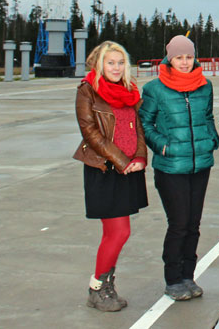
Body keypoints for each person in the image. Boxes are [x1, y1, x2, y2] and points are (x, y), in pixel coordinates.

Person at [139, 35, 219, 301]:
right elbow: (145, 124)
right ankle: (172, 279)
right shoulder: (155, 89)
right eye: (179, 57)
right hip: (170, 167)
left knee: (194, 224)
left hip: (200, 164)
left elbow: (207, 117)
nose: (184, 62)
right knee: (179, 223)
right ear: (169, 59)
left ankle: (188, 275)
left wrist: (212, 139)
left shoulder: (204, 86)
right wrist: (164, 146)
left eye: (188, 57)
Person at [72, 41, 148, 313]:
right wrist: (121, 161)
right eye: (110, 62)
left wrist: (139, 158)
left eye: (120, 63)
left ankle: (106, 285)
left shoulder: (129, 91)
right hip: (104, 169)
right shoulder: (88, 91)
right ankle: (97, 287)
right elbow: (90, 133)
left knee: (115, 232)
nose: (116, 68)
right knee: (119, 232)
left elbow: (138, 128)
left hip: (128, 169)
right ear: (99, 64)